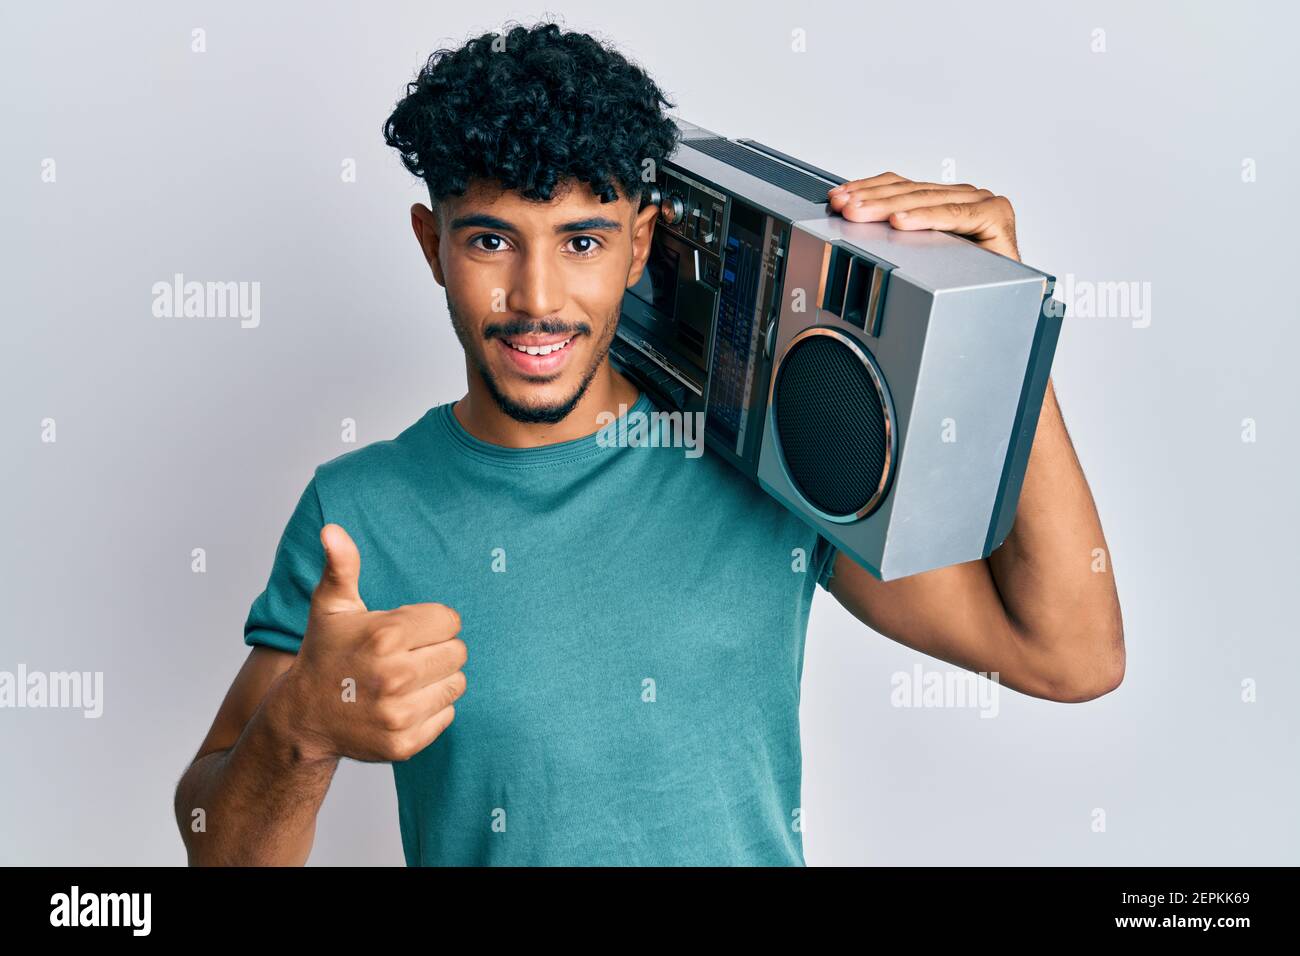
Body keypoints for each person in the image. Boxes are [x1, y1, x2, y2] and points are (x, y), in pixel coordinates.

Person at [173, 20, 1124, 866]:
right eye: (491, 242)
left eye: (582, 242)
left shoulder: (761, 464)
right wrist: (299, 729)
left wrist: (1007, 332)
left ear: (642, 243)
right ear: (431, 245)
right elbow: (217, 846)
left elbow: (1068, 659)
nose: (538, 299)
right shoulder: (358, 513)